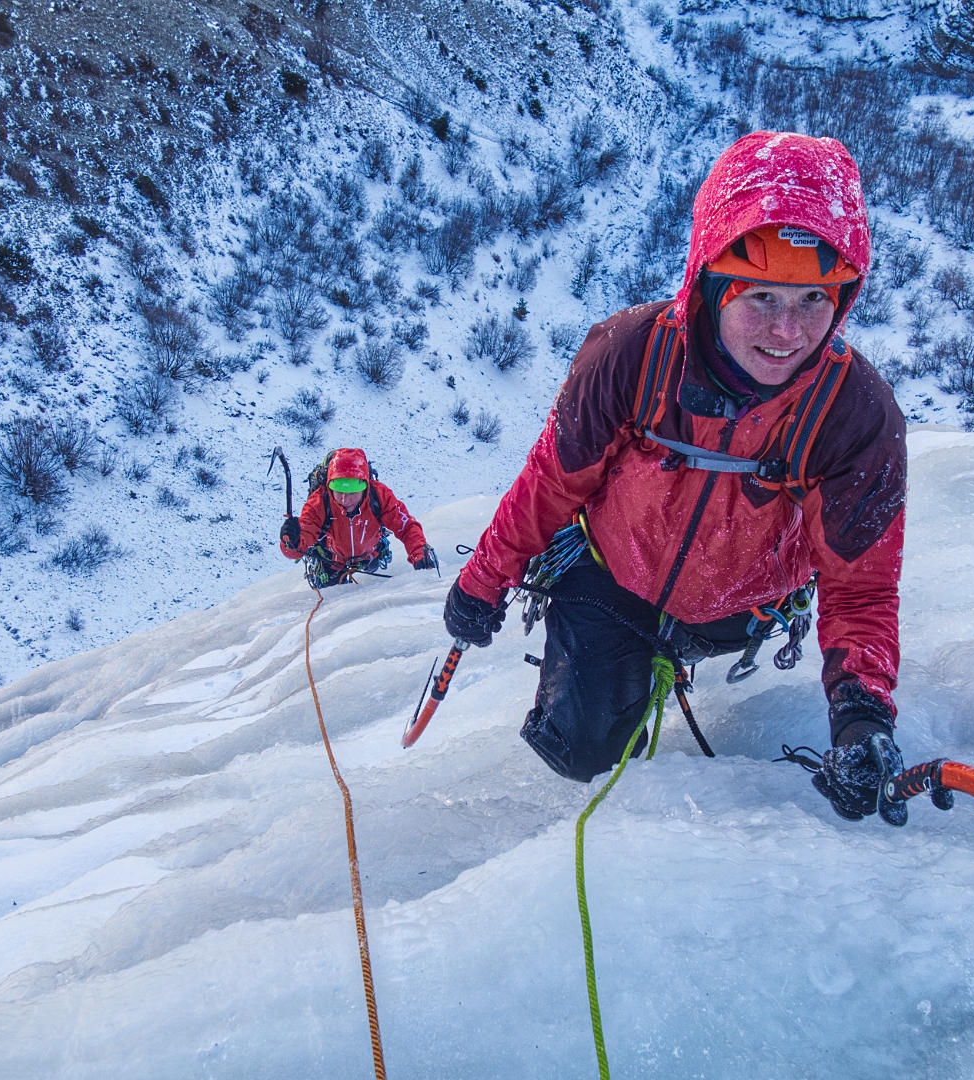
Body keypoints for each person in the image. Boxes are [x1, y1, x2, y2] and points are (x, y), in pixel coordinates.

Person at [443, 131, 911, 826]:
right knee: (578, 754)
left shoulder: (855, 416)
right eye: (762, 297)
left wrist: (862, 712)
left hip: (737, 608)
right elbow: (553, 482)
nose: (788, 332)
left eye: (814, 299)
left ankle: (654, 665)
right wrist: (482, 582)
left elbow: (860, 583)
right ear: (712, 284)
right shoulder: (630, 355)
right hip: (611, 578)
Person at [280, 447, 438, 588]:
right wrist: (290, 541)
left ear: (365, 486)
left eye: (352, 492)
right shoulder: (320, 501)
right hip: (332, 563)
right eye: (338, 491)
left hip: (370, 557)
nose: (344, 499)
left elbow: (406, 527)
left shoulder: (379, 496)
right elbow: (297, 546)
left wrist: (419, 554)